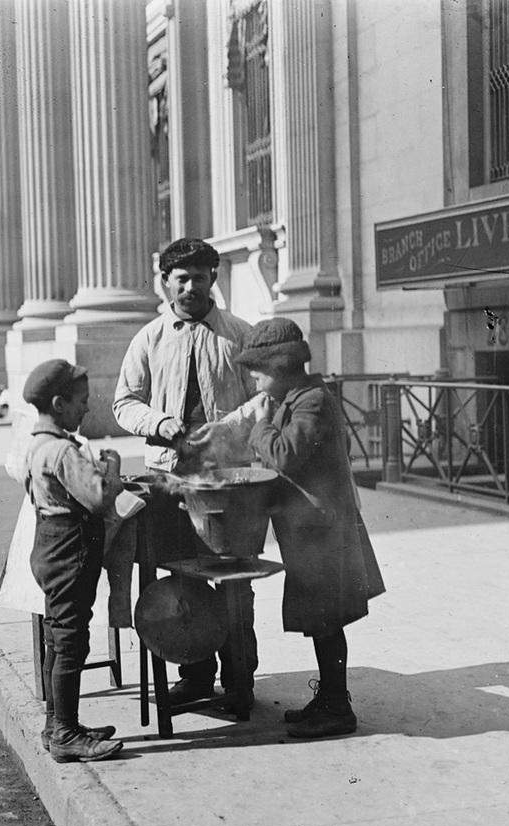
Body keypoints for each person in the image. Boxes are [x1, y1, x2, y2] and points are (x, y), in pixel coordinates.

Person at [194, 318, 386, 738]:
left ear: (280, 366)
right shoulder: (295, 398)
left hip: (322, 531)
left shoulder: (311, 401)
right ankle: (330, 698)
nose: (253, 378)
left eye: (257, 370)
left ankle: (337, 708)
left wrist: (261, 424)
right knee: (320, 619)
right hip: (308, 530)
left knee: (328, 620)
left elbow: (283, 455)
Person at [113, 237, 258, 711]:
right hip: (169, 482)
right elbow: (124, 402)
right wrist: (158, 423)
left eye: (200, 277)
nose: (191, 287)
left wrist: (229, 426)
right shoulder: (149, 339)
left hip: (226, 480)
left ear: (213, 280)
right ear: (165, 283)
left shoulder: (239, 335)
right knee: (181, 578)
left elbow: (264, 398)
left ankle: (239, 681)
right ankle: (195, 673)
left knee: (235, 579)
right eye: (182, 279)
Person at [19, 358, 125, 763]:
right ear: (60, 403)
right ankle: (65, 733)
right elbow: (99, 497)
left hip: (50, 546)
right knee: (71, 641)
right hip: (71, 548)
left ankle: (56, 724)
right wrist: (111, 466)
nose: (86, 408)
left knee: (56, 637)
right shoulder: (63, 450)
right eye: (81, 401)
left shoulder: (37, 445)